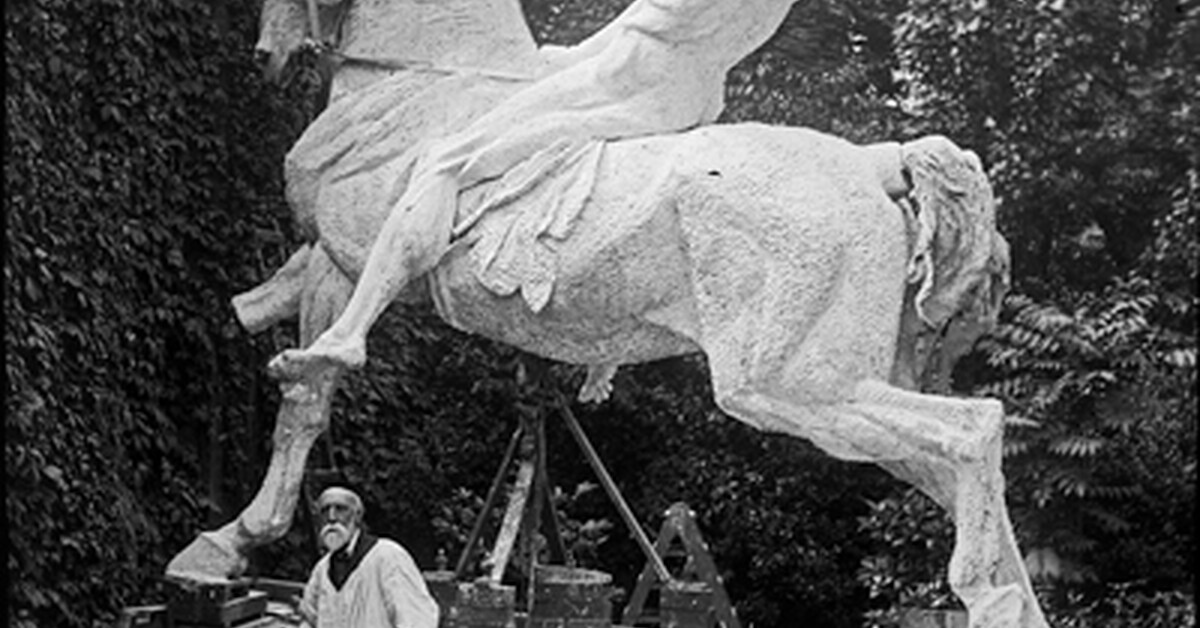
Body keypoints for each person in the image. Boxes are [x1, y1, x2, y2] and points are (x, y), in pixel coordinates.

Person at [271, 0, 799, 379]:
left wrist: (565, 60)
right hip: (691, 93)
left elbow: (650, 23)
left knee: (446, 161)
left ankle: (350, 331)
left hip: (626, 77)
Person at [298, 487, 439, 628]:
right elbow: (309, 619)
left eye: (340, 509)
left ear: (357, 516)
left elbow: (417, 618)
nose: (331, 517)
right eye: (325, 511)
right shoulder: (322, 569)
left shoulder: (387, 556)